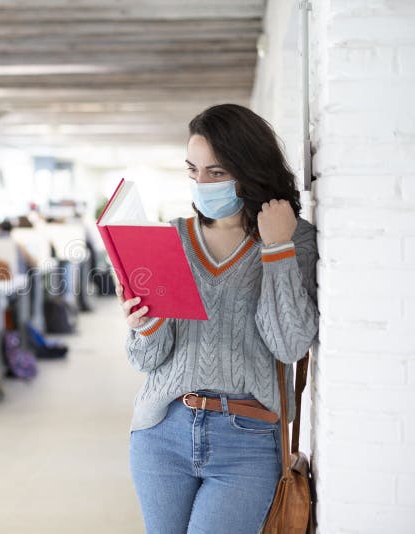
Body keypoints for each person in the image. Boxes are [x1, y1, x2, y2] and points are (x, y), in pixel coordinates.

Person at [123, 104, 318, 534]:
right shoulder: (171, 238)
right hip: (161, 432)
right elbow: (147, 360)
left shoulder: (294, 239)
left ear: (249, 171)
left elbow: (289, 344)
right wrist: (144, 324)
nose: (200, 183)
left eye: (216, 173)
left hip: (246, 439)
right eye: (193, 170)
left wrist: (277, 249)